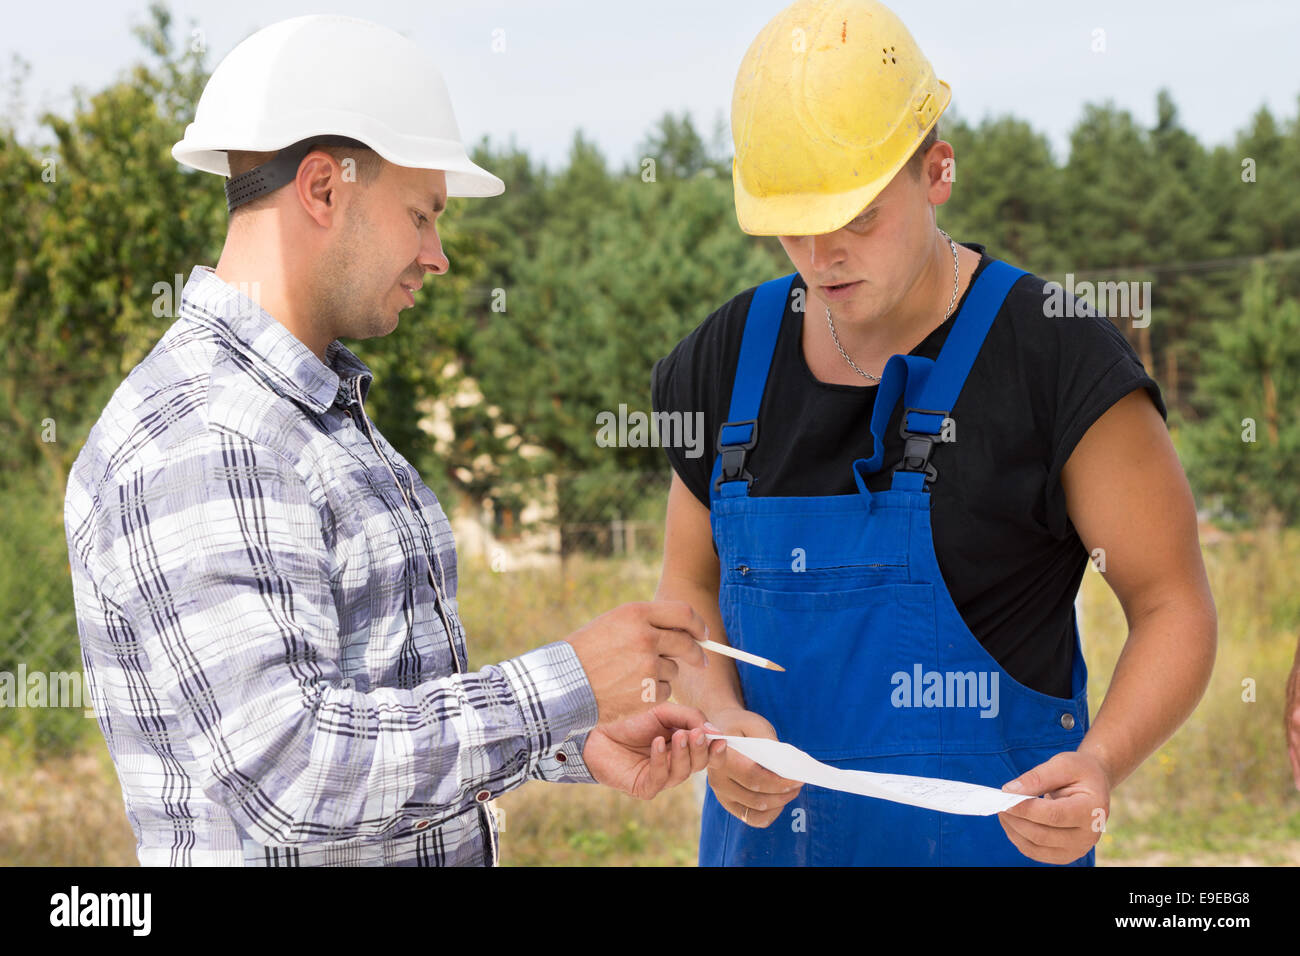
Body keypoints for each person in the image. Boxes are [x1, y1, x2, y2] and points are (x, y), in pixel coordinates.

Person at [63, 14, 717, 868]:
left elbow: (379, 716)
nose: (437, 255)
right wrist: (567, 681)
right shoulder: (210, 436)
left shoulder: (315, 414)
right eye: (421, 214)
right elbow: (293, 777)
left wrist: (567, 739)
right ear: (324, 189)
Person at [651, 0, 1217, 865]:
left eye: (859, 216)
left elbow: (1173, 603)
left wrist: (1101, 764)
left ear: (937, 170)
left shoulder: (1056, 355)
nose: (823, 253)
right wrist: (723, 721)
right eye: (795, 226)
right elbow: (687, 595)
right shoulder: (727, 359)